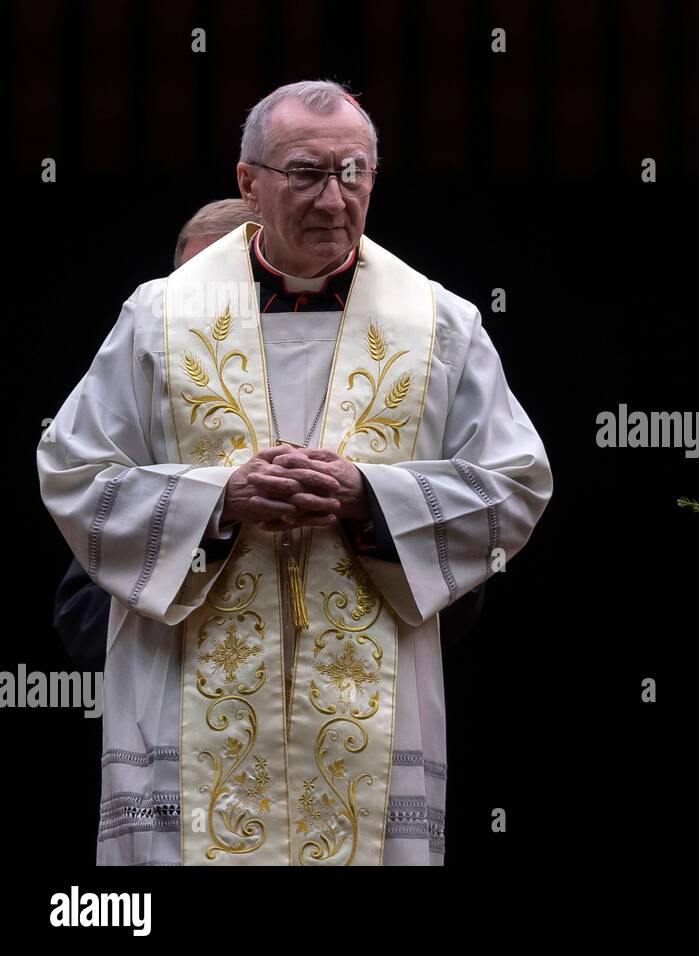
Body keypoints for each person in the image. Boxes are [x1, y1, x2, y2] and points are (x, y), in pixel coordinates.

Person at [37, 80, 552, 865]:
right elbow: (75, 472)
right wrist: (218, 500)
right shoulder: (159, 316)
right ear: (250, 182)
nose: (332, 198)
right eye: (307, 173)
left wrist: (370, 497)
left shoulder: (441, 323)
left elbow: (514, 483)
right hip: (186, 688)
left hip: (365, 705)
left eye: (353, 174)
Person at [52, 200, 488, 674]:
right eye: (188, 289)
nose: (196, 309)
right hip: (185, 692)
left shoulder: (397, 361)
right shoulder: (152, 361)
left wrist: (370, 503)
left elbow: (459, 598)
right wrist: (205, 516)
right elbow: (82, 617)